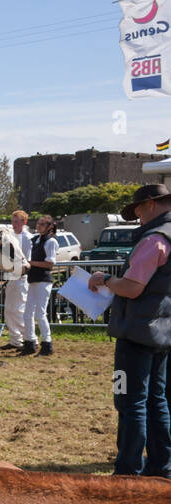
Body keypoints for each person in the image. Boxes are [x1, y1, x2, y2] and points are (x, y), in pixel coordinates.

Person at [88, 183, 171, 477]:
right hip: (161, 332)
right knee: (156, 399)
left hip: (136, 333)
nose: (135, 215)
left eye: (136, 208)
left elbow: (133, 288)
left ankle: (127, 469)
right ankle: (161, 467)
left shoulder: (153, 241)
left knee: (130, 400)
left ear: (149, 203)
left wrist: (105, 280)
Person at [21, 215, 57, 357]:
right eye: (38, 223)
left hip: (43, 280)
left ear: (49, 227)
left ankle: (47, 343)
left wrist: (30, 263)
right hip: (33, 279)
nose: (39, 226)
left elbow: (49, 263)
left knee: (40, 313)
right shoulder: (35, 240)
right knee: (28, 312)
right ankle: (30, 342)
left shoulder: (51, 241)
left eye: (42, 224)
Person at [1, 209, 32, 350]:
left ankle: (29, 338)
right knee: (8, 309)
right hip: (12, 276)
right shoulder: (12, 236)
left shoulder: (28, 238)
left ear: (24, 222)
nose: (13, 224)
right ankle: (15, 340)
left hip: (22, 276)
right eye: (12, 221)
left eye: (16, 221)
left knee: (18, 309)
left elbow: (27, 259)